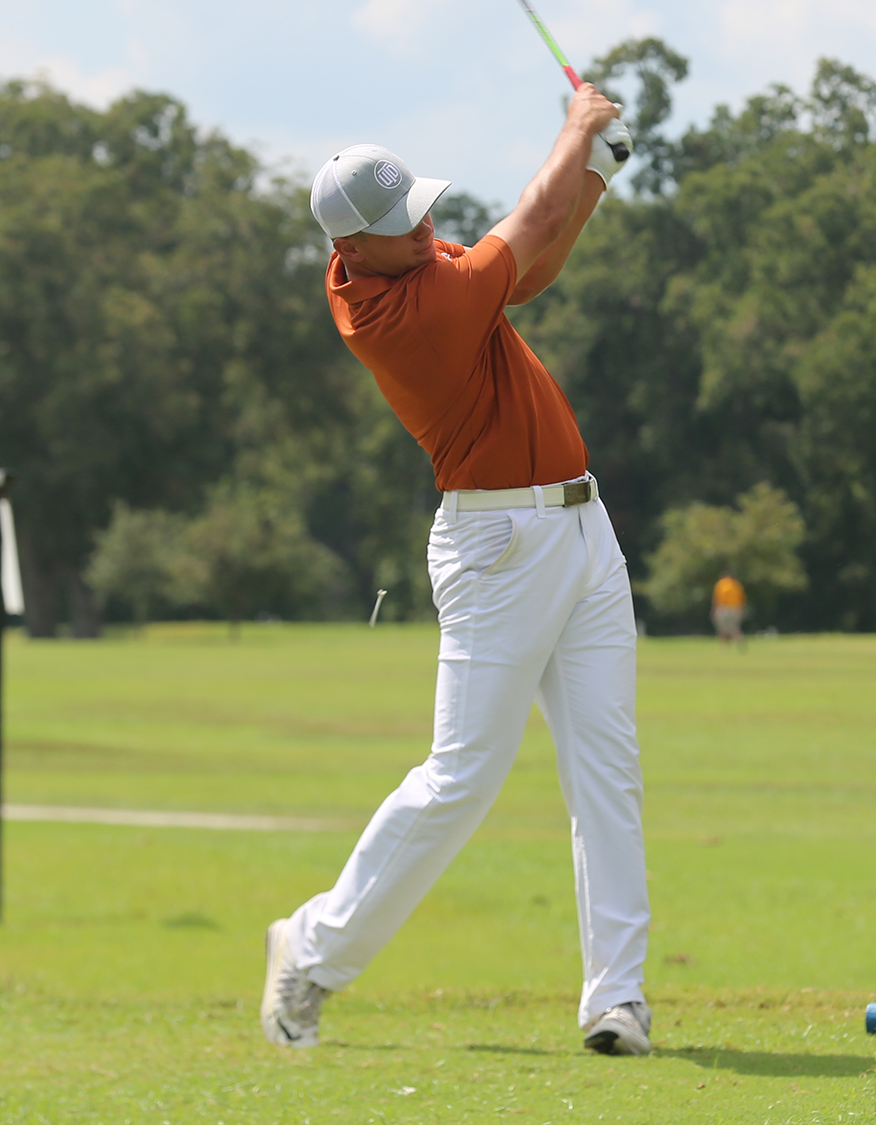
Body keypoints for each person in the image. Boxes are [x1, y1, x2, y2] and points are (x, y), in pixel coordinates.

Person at [262, 87, 652, 1055]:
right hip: (497, 549)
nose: (426, 224)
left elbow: (528, 271)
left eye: (420, 205)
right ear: (354, 251)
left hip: (580, 524)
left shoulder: (409, 261)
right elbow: (529, 224)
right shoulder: (403, 313)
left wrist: (594, 172)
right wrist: (577, 135)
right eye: (403, 225)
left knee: (607, 769)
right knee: (461, 779)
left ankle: (618, 999)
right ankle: (309, 950)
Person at [711, 570, 746, 647]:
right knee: (734, 627)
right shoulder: (737, 584)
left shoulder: (720, 584)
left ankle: (725, 646)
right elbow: (742, 598)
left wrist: (714, 610)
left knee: (722, 628)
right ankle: (740, 640)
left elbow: (717, 598)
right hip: (736, 608)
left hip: (723, 608)